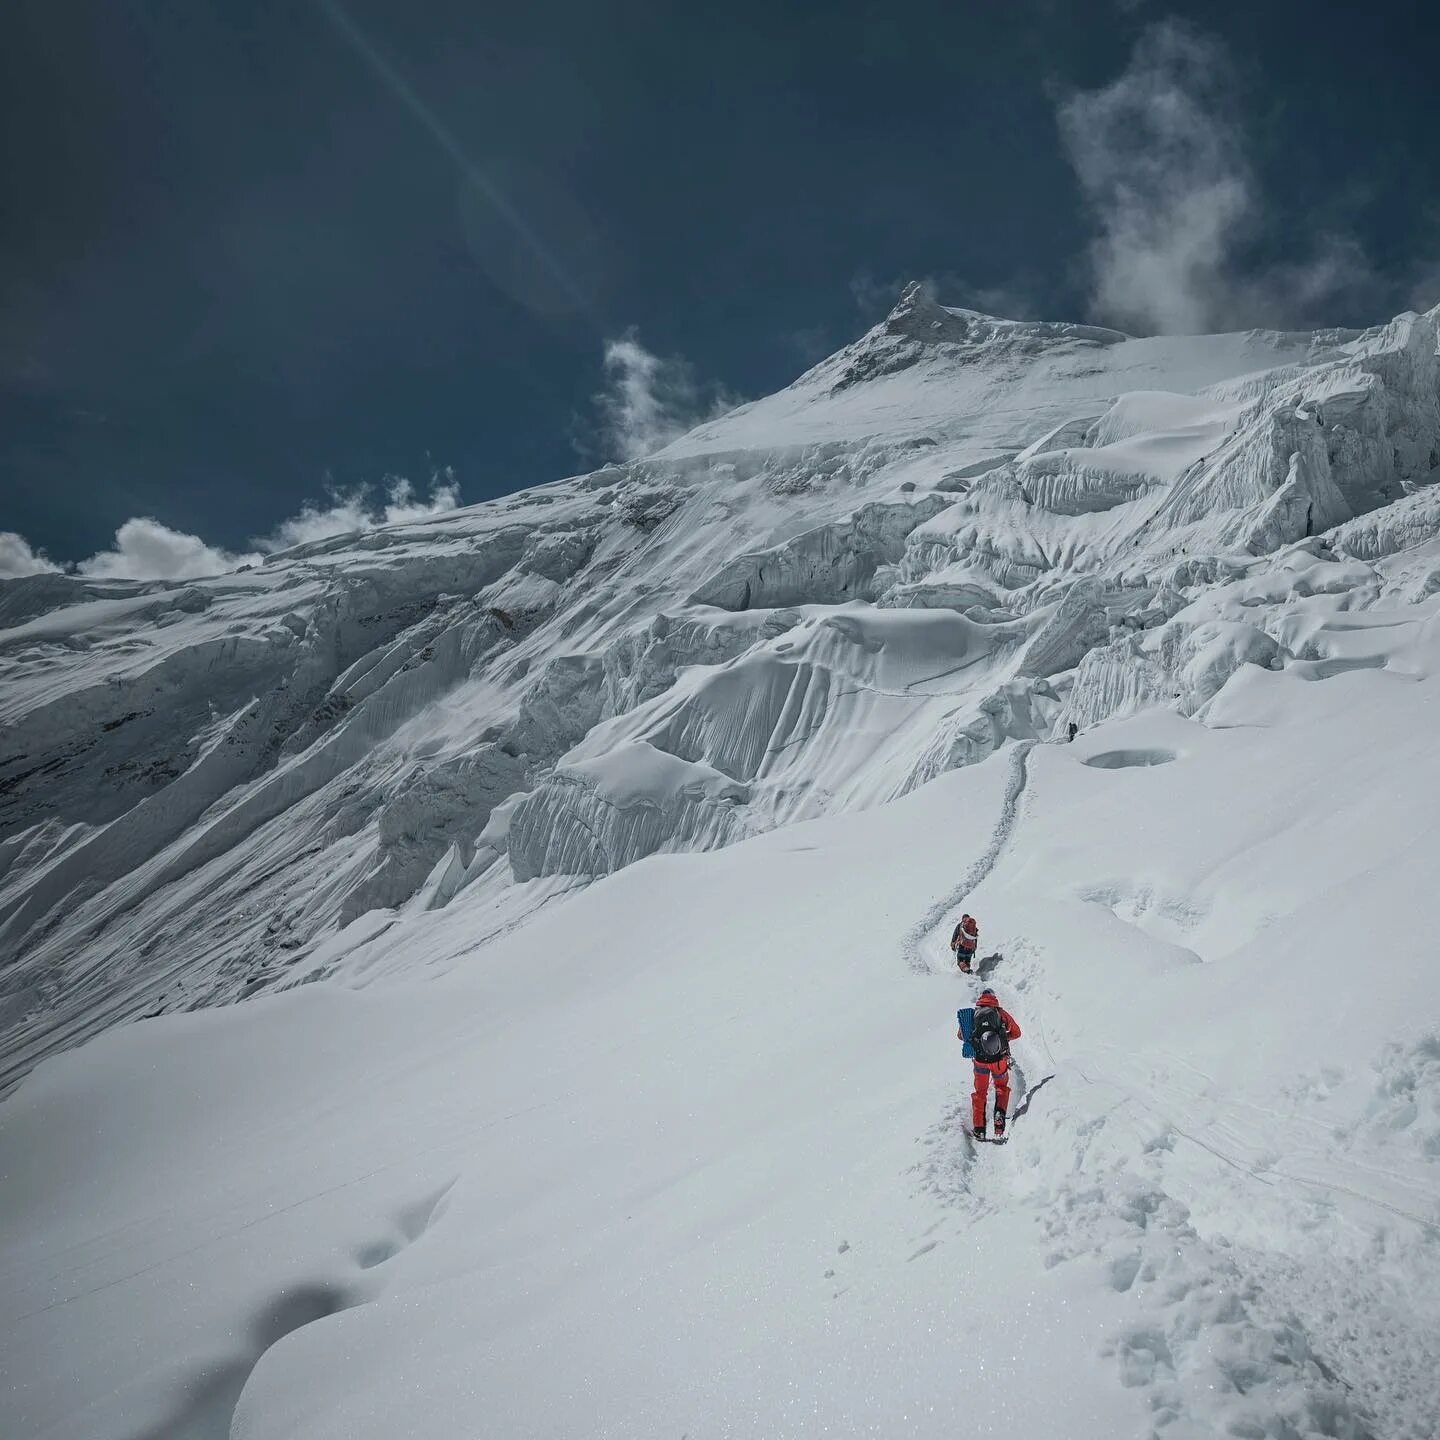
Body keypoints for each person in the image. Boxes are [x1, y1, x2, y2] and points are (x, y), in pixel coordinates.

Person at [957, 988, 1021, 1142]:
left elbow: (960, 1035)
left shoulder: (973, 1014)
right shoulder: (1000, 1013)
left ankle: (979, 1130)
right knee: (1001, 1088)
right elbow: (1017, 1032)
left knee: (980, 1093)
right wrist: (1001, 1039)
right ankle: (999, 1120)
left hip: (980, 1061)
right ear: (994, 999)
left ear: (980, 999)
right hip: (999, 1060)